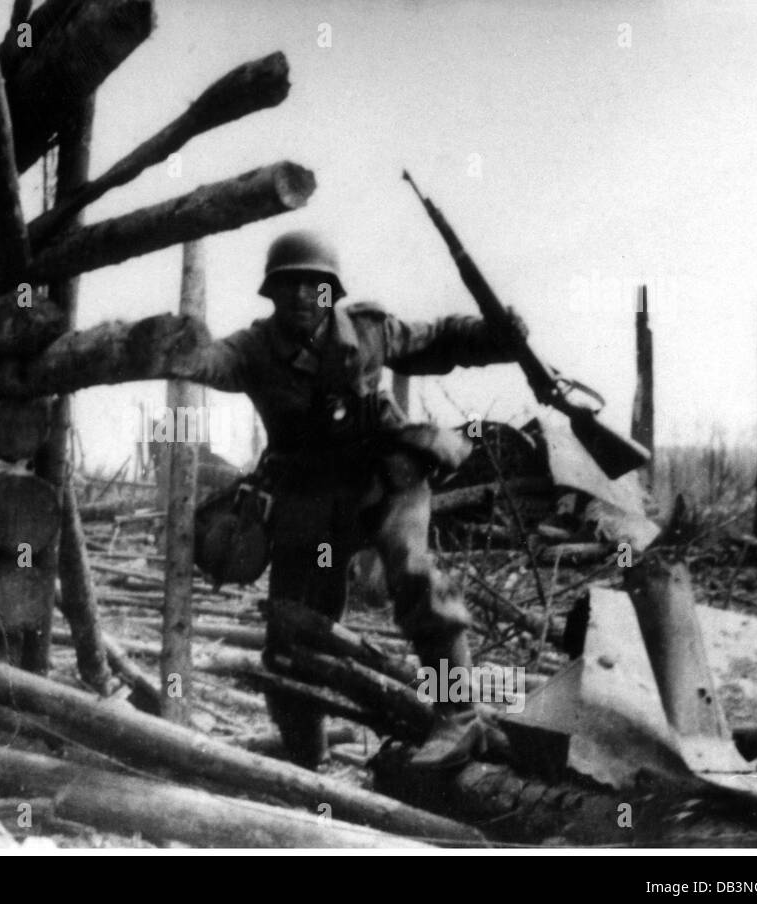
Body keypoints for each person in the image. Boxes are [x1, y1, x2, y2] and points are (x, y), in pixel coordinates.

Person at [188, 229, 527, 768]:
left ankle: (458, 715)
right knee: (293, 625)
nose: (304, 296)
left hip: (384, 478)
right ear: (271, 294)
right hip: (308, 497)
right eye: (291, 285)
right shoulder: (253, 350)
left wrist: (495, 337)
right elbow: (207, 362)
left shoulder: (368, 332)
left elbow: (436, 338)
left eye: (316, 286)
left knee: (412, 571)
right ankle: (305, 761)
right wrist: (174, 349)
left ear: (332, 292)